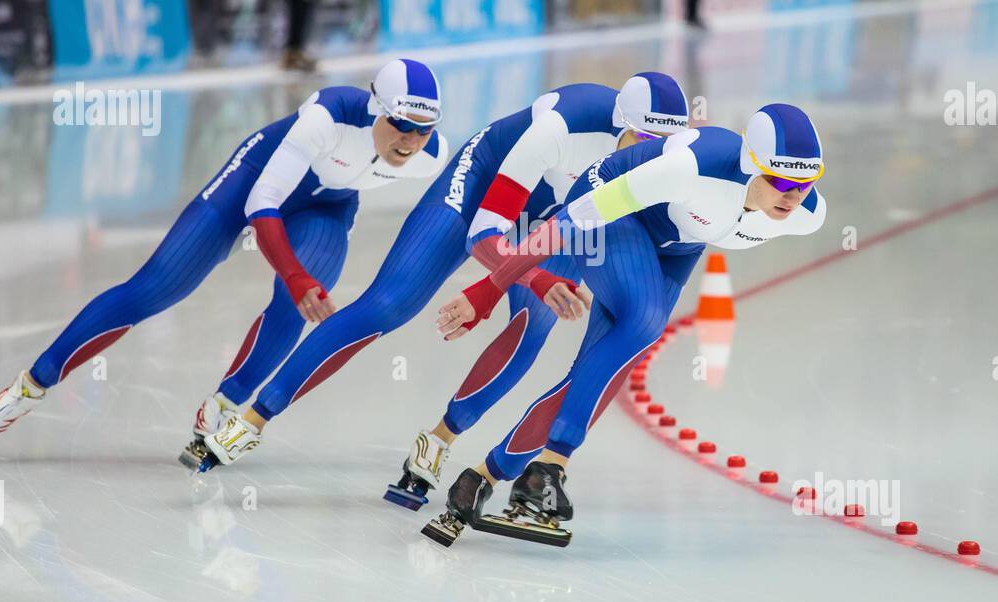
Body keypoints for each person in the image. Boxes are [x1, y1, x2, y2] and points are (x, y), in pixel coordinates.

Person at [197, 75, 691, 475]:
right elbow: (483, 234)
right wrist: (526, 277)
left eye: (664, 148)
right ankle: (255, 417)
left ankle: (439, 440)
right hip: (484, 192)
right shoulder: (561, 128)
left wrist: (528, 282)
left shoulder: (662, 169)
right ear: (619, 125)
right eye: (645, 141)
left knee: (532, 326)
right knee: (389, 303)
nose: (650, 156)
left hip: (555, 216)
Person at [0, 60, 449, 463]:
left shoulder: (432, 156)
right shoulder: (328, 116)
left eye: (422, 130)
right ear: (375, 107)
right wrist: (293, 272)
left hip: (326, 207)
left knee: (300, 304)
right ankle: (30, 386)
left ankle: (226, 402)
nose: (408, 140)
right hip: (253, 185)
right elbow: (263, 204)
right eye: (400, 124)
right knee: (155, 288)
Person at [423, 103, 828, 547]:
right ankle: (549, 467)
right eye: (783, 181)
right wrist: (489, 289)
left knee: (598, 373)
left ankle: (482, 479)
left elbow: (745, 211)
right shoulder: (688, 169)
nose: (794, 196)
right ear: (752, 165)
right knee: (645, 321)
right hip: (609, 209)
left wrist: (793, 188)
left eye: (806, 183)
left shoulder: (808, 215)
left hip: (677, 244)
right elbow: (567, 221)